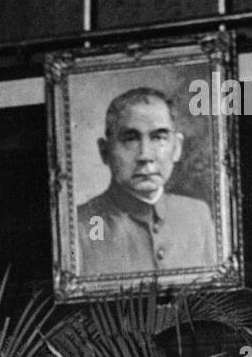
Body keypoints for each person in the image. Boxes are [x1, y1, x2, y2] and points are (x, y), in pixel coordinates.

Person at [75, 87, 217, 277]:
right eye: (130, 139)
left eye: (159, 137)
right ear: (105, 151)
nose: (145, 155)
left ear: (176, 148)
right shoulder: (80, 225)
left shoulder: (197, 215)